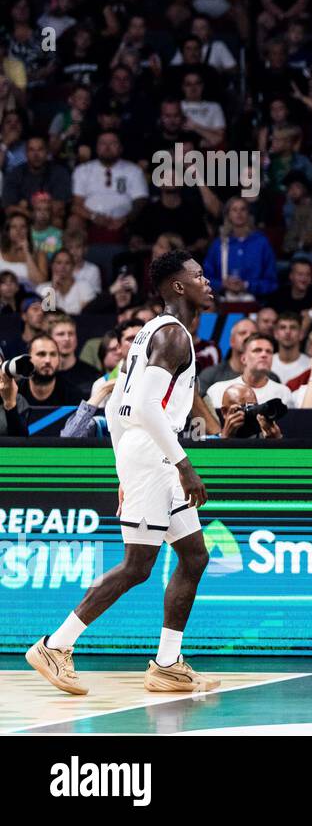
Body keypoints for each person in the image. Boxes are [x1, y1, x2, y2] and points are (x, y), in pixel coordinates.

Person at [27, 250, 216, 696]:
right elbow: (146, 408)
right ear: (177, 286)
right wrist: (183, 466)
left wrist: (124, 468)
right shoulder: (172, 336)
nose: (206, 282)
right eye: (197, 276)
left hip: (146, 454)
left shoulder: (151, 331)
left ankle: (168, 664)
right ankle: (56, 645)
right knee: (137, 566)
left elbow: (118, 405)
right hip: (156, 455)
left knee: (195, 555)